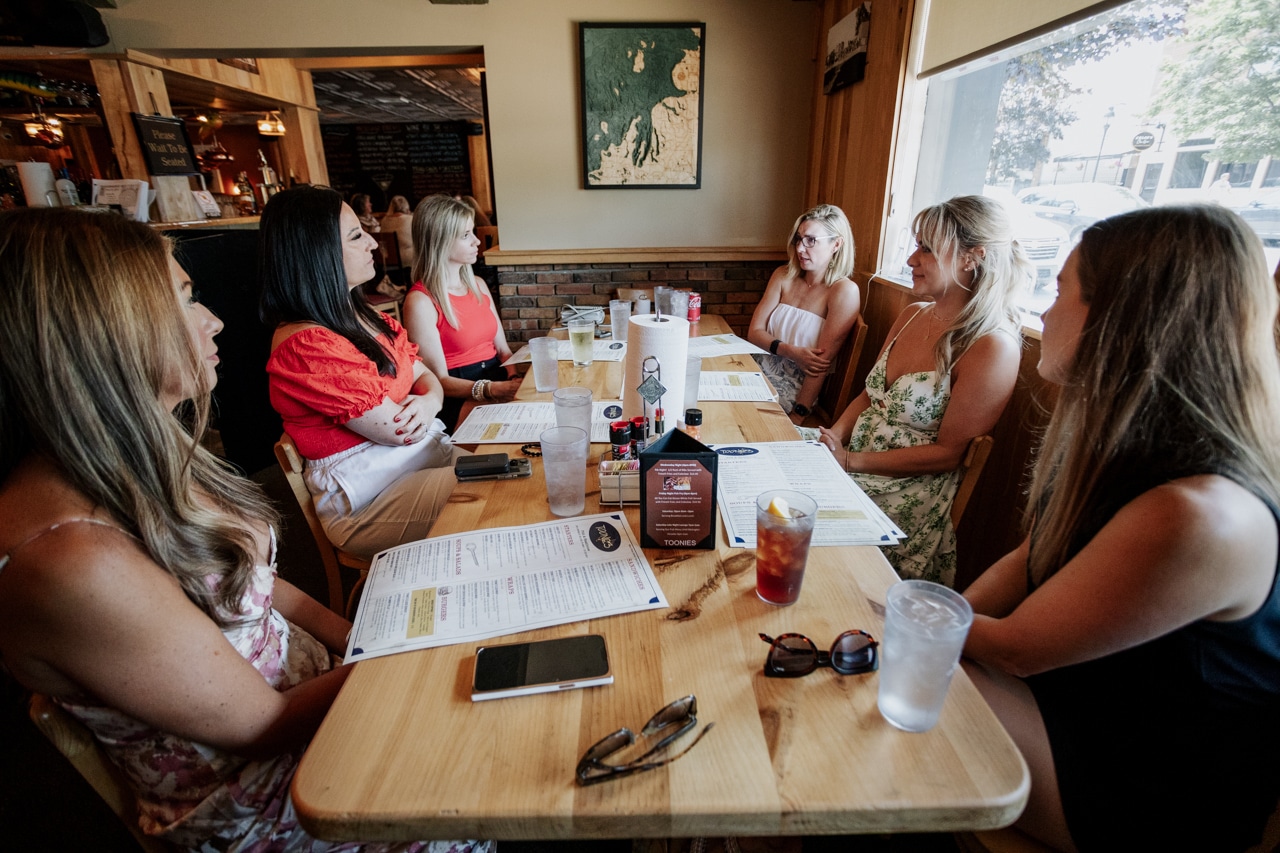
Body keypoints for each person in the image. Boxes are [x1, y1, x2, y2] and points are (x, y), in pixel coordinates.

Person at [0, 208, 490, 853]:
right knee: (493, 768)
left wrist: (363, 639)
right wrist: (425, 651)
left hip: (320, 693)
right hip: (272, 796)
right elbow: (263, 727)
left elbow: (255, 586)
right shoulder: (72, 561)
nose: (215, 320)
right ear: (98, 335)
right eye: (185, 300)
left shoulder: (144, 454)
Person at [961, 205, 1280, 851]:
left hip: (1151, 787)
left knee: (902, 680)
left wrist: (914, 622)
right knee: (892, 666)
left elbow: (1020, 648)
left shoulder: (1201, 513)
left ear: (1124, 319)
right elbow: (1029, 559)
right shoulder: (1119, 444)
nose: (1043, 315)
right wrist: (943, 613)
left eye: (1057, 292)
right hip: (1082, 707)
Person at [817, 195, 1024, 586]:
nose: (912, 259)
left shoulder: (991, 346)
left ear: (971, 257)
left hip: (904, 490)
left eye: (926, 248)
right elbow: (869, 394)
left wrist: (850, 462)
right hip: (850, 456)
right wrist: (833, 437)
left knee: (792, 510)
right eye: (916, 246)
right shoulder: (912, 314)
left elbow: (947, 454)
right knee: (760, 455)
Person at [261, 187, 466, 559]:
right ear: (316, 253)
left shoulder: (369, 317)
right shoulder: (306, 346)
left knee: (518, 464)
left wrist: (430, 401)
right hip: (369, 503)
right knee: (492, 490)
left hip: (418, 464)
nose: (373, 243)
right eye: (356, 235)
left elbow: (428, 379)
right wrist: (427, 401)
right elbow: (397, 431)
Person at [402, 194, 520, 432]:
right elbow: (439, 381)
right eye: (466, 235)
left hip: (497, 381)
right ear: (440, 241)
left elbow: (504, 351)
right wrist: (492, 390)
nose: (477, 241)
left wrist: (513, 381)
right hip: (458, 394)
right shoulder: (420, 301)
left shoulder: (478, 284)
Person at [747, 203, 861, 423]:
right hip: (755, 369)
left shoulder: (843, 291)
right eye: (799, 239)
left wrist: (798, 415)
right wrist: (791, 351)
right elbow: (754, 332)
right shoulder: (783, 275)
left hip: (794, 387)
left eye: (811, 240)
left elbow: (819, 365)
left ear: (836, 244)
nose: (800, 248)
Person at [382, 194, 416, 270]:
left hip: (388, 260)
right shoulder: (411, 219)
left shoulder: (384, 221)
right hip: (408, 261)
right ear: (406, 207)